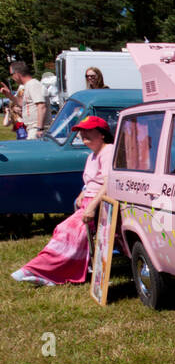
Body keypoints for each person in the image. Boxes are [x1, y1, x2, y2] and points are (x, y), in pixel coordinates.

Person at [11, 116, 112, 285]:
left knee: (66, 232)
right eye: (81, 131)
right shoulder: (92, 156)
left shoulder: (108, 151)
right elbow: (92, 182)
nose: (83, 134)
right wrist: (83, 193)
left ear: (102, 134)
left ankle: (40, 270)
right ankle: (46, 271)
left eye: (88, 130)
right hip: (89, 204)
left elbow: (109, 184)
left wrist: (92, 207)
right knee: (63, 231)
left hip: (102, 207)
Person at [1, 61, 49, 139]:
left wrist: (40, 128)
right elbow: (22, 103)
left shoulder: (33, 84)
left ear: (17, 74)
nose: (12, 78)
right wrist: (10, 96)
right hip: (32, 128)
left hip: (36, 128)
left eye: (11, 74)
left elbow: (41, 106)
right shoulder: (28, 86)